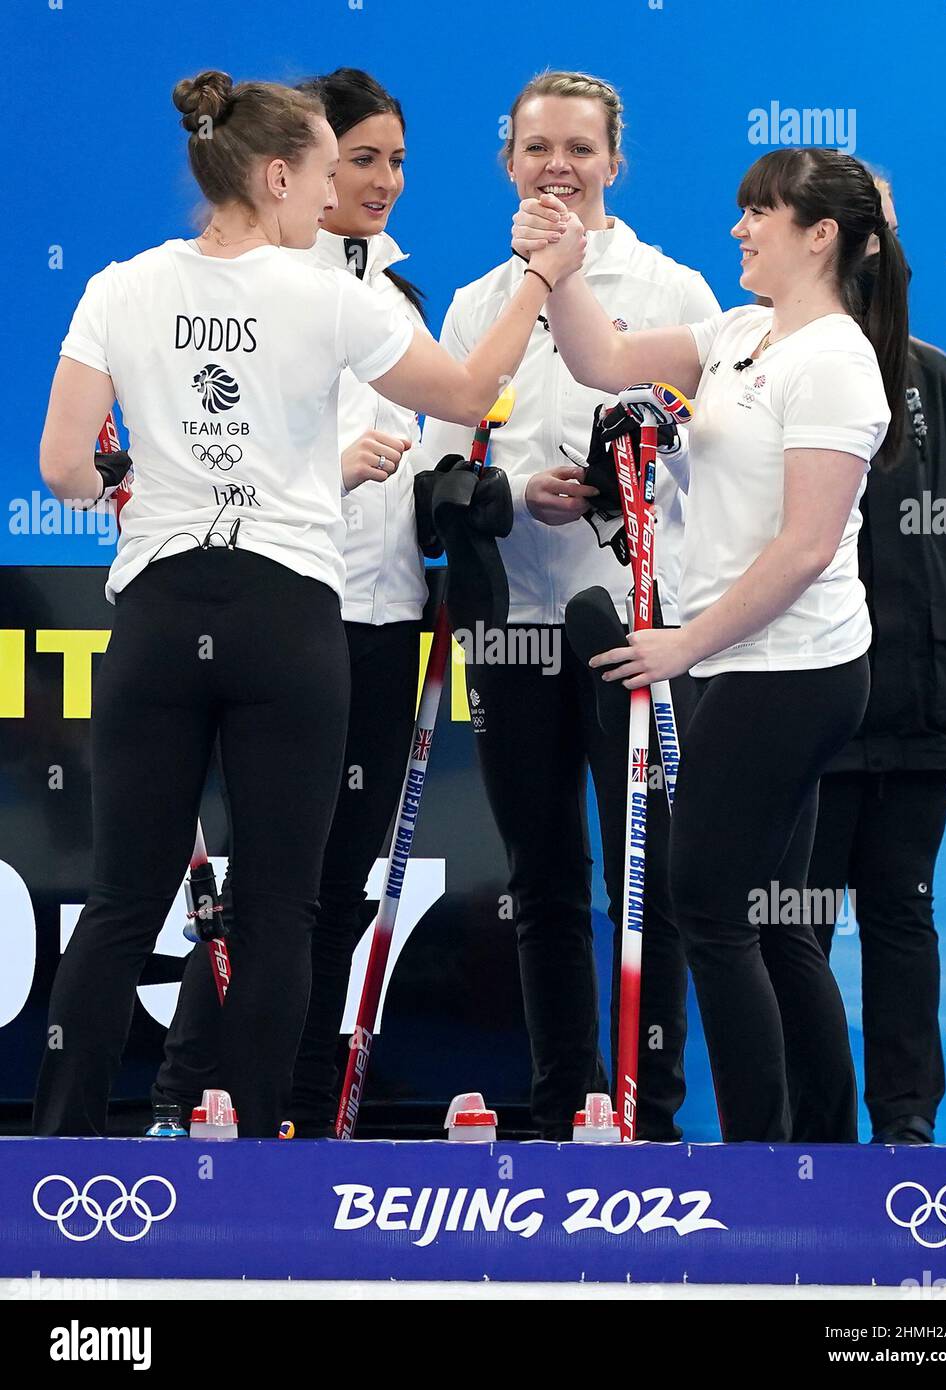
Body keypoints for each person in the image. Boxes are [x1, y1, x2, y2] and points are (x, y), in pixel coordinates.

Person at [33, 68, 582, 1138]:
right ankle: (246, 1154)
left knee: (119, 903)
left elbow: (61, 466)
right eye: (331, 172)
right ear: (278, 176)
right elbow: (471, 395)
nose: (341, 193)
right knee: (282, 903)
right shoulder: (335, 295)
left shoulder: (119, 285)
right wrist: (535, 276)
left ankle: (53, 1160)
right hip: (284, 617)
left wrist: (127, 486)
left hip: (156, 608)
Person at [516, 145, 910, 1142]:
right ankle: (818, 1154)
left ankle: (756, 1166)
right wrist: (556, 271)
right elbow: (599, 357)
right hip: (734, 663)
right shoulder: (739, 333)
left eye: (758, 214)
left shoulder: (834, 361)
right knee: (771, 925)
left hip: (790, 671)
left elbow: (806, 547)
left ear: (818, 235)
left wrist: (678, 644)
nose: (737, 229)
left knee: (705, 903)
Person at [423, 70, 720, 1142]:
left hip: (635, 627)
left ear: (613, 162)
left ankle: (648, 1111)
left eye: (578, 149)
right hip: (509, 628)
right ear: (507, 160)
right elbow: (436, 469)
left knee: (649, 873)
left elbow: (715, 462)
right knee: (540, 878)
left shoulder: (677, 290)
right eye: (537, 147)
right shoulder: (469, 305)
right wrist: (508, 493)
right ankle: (563, 1103)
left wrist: (620, 487)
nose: (557, 167)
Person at [149, 67, 434, 1139]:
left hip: (381, 616)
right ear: (294, 169)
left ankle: (300, 1118)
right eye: (357, 159)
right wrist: (331, 467)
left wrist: (453, 494)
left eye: (396, 162)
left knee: (332, 895)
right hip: (274, 613)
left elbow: (443, 418)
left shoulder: (398, 297)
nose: (378, 182)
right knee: (256, 890)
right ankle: (187, 1101)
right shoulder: (246, 283)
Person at [806, 177, 946, 1144]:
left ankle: (904, 1134)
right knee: (788, 933)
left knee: (901, 922)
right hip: (801, 715)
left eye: (885, 218)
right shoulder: (760, 368)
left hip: (918, 721)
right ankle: (801, 1141)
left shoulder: (940, 383)